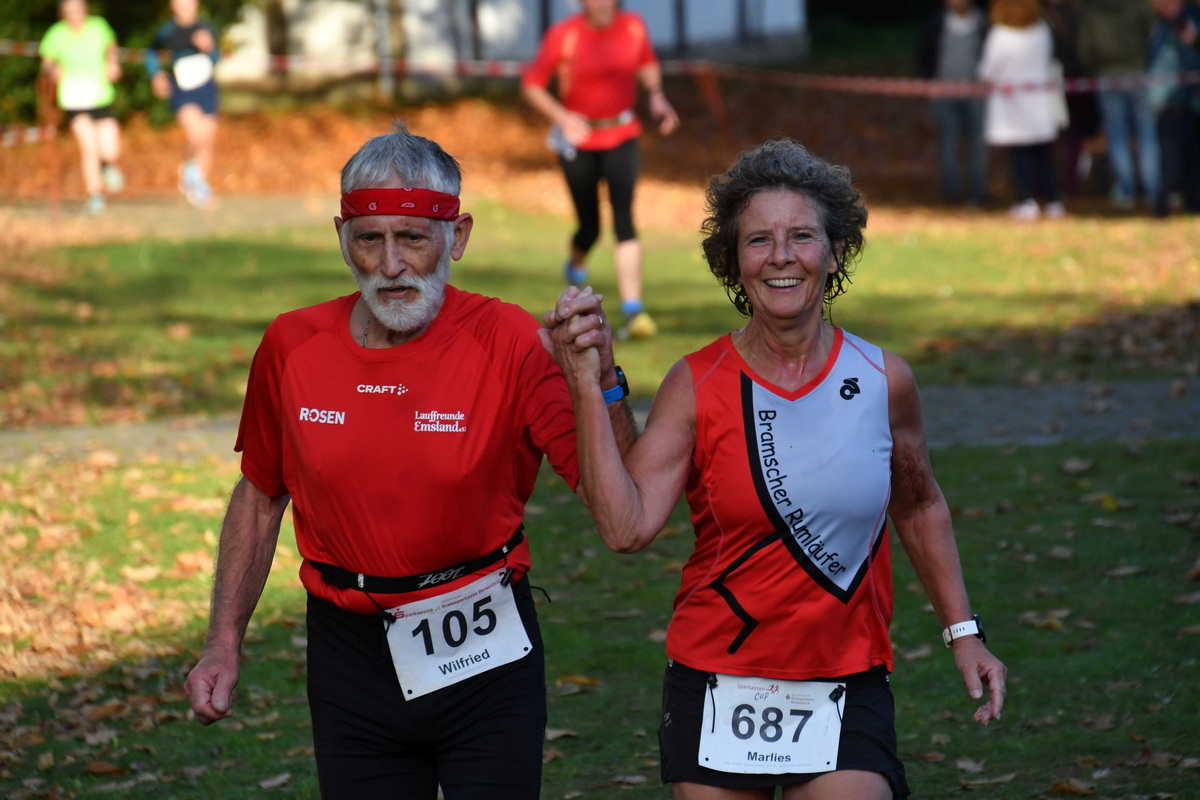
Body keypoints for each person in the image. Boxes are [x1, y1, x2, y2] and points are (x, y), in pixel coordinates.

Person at [543, 139, 1007, 799]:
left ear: (836, 250)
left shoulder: (883, 380)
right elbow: (626, 526)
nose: (782, 256)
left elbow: (918, 503)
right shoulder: (696, 382)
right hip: (718, 676)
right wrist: (590, 383)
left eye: (802, 237)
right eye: (759, 240)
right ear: (733, 261)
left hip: (844, 678)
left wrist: (964, 634)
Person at [183, 122, 635, 799]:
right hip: (348, 653)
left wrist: (601, 379)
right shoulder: (292, 345)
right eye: (370, 239)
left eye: (413, 239)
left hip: (483, 644)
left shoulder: (510, 340)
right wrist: (223, 641)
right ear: (343, 239)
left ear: (458, 237)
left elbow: (621, 499)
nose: (391, 265)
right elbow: (259, 496)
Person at [521, 0, 680, 341]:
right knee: (589, 226)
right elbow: (532, 84)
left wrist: (656, 95)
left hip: (622, 135)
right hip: (578, 142)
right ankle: (576, 264)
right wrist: (562, 117)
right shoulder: (564, 35)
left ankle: (633, 311)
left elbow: (647, 62)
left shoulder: (633, 26)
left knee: (624, 218)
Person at [978, 0, 1068, 220]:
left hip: (1013, 106)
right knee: (1044, 157)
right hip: (1039, 101)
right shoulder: (1041, 30)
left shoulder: (1000, 35)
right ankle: (1053, 202)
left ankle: (1026, 201)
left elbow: (988, 71)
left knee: (1020, 157)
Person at [38, 0, 125, 216]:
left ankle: (106, 164)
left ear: (85, 10)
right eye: (69, 10)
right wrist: (53, 69)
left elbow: (111, 46)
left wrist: (112, 62)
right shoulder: (56, 34)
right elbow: (46, 62)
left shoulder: (98, 26)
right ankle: (95, 194)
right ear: (62, 13)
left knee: (110, 149)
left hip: (100, 96)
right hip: (73, 97)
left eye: (78, 9)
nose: (74, 14)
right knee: (89, 146)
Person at [1079, 0, 1163, 214]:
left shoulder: (1093, 11)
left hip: (1108, 75)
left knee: (1117, 137)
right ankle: (1154, 192)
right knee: (1147, 135)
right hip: (1137, 72)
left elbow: (1085, 49)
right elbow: (1152, 36)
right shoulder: (1139, 6)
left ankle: (1126, 193)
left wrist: (1097, 69)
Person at [144, 0, 220, 208]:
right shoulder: (167, 31)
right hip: (182, 89)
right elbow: (151, 52)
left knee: (207, 137)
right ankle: (191, 171)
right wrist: (156, 75)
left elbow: (216, 57)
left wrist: (209, 47)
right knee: (195, 134)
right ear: (173, 5)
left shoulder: (206, 27)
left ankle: (200, 185)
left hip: (206, 87)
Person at [917, 0, 990, 207]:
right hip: (944, 93)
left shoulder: (982, 22)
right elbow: (925, 54)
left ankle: (979, 192)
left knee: (978, 145)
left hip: (976, 94)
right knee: (948, 143)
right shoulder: (937, 22)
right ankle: (952, 193)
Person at [1042, 0, 1102, 197]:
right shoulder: (1082, 14)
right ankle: (1070, 185)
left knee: (1066, 137)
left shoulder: (1046, 18)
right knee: (1075, 137)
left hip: (1059, 82)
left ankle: (1064, 185)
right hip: (1077, 80)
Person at [1148, 0, 1200, 214]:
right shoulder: (1164, 23)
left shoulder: (1186, 20)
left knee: (1179, 157)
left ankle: (1167, 205)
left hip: (1182, 101)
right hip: (1173, 101)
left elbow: (1189, 63)